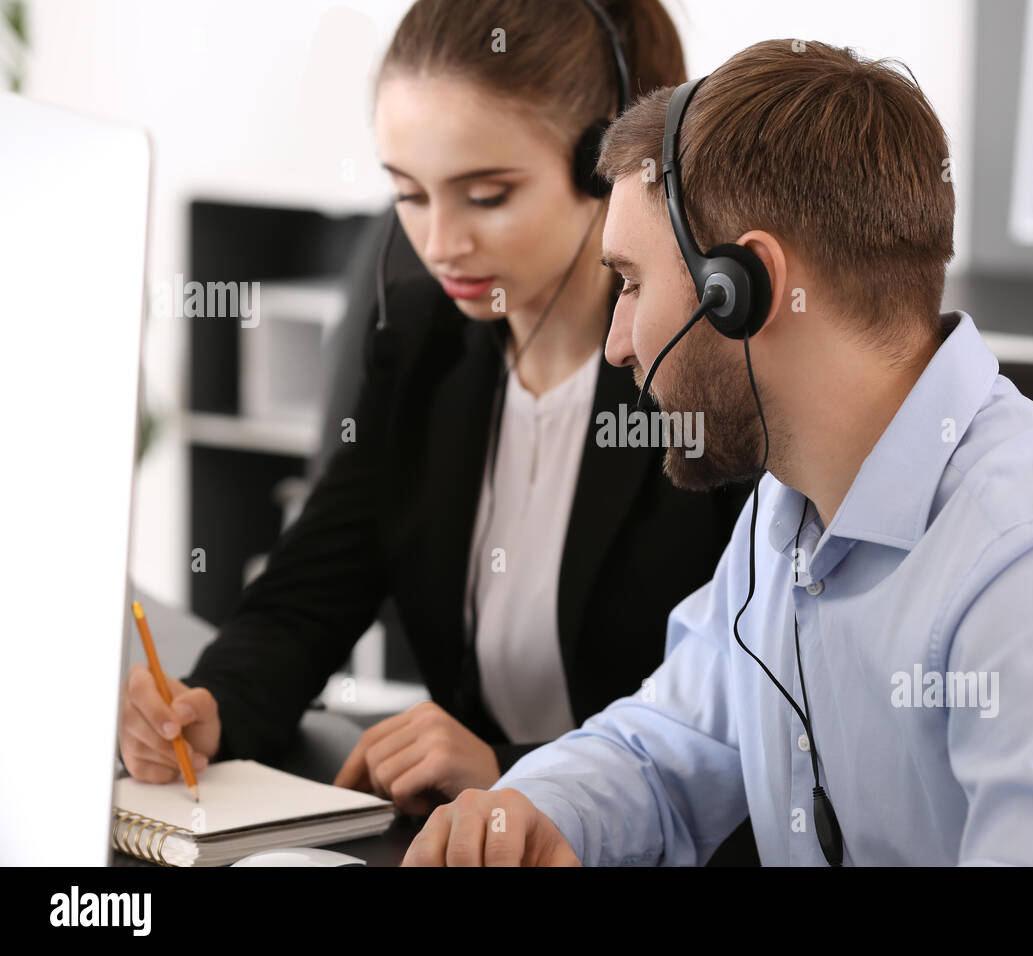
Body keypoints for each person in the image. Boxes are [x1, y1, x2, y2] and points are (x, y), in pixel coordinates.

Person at [401, 39, 1033, 866]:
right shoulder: (790, 514)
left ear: (743, 289)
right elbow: (662, 746)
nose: (619, 345)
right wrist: (530, 810)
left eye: (632, 284)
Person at [117, 0, 755, 861]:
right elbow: (308, 597)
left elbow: (749, 722)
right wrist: (209, 707)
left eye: (486, 195)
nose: (439, 242)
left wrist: (514, 771)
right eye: (408, 195)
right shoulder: (424, 345)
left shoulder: (706, 372)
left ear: (604, 168)